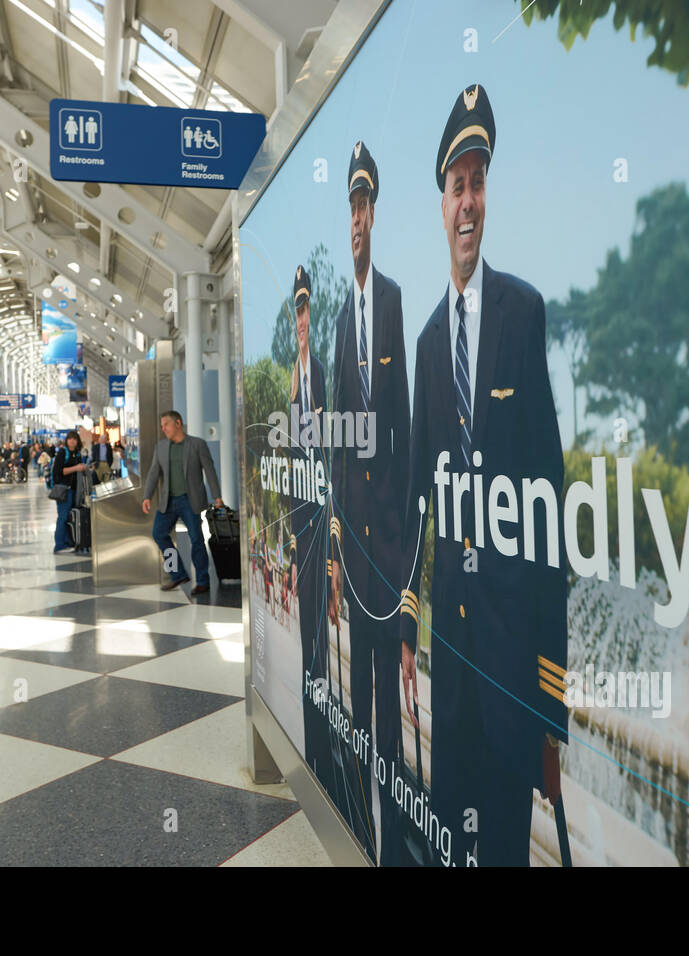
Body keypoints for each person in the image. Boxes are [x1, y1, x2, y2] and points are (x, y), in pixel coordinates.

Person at [398, 84, 567, 866]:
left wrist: (552, 712)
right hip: (453, 682)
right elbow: (416, 507)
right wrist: (406, 633)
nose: (469, 201)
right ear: (441, 204)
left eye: (480, 182)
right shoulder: (429, 345)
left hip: (509, 688)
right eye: (457, 185)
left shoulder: (522, 314)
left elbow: (549, 513)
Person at [327, 140, 411, 865]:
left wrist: (409, 555)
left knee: (386, 679)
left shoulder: (390, 300)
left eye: (365, 206)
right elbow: (330, 434)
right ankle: (358, 808)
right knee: (359, 679)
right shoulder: (333, 321)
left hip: (388, 537)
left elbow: (403, 427)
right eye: (349, 207)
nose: (357, 219)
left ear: (375, 216)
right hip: (350, 538)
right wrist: (330, 539)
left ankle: (393, 813)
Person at [283, 264, 333, 792]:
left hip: (320, 528)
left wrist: (332, 549)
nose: (302, 319)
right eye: (297, 311)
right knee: (307, 636)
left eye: (306, 310)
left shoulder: (316, 371)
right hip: (302, 528)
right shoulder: (293, 378)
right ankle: (314, 735)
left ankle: (320, 744)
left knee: (317, 637)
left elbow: (325, 458)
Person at [142, 410, 223, 594]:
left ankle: (203, 580)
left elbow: (209, 471)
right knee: (159, 534)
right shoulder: (161, 447)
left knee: (197, 540)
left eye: (166, 425)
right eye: (162, 426)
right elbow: (154, 473)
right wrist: (147, 496)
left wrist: (217, 496)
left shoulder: (197, 444)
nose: (163, 429)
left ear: (178, 423)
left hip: (190, 500)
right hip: (168, 501)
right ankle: (177, 574)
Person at [51, 431, 89, 554]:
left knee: (68, 516)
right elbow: (59, 471)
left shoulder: (76, 454)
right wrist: (76, 468)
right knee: (62, 517)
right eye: (70, 439)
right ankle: (59, 545)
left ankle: (68, 542)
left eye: (74, 439)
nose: (72, 441)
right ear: (66, 440)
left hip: (73, 490)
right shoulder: (63, 453)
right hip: (64, 490)